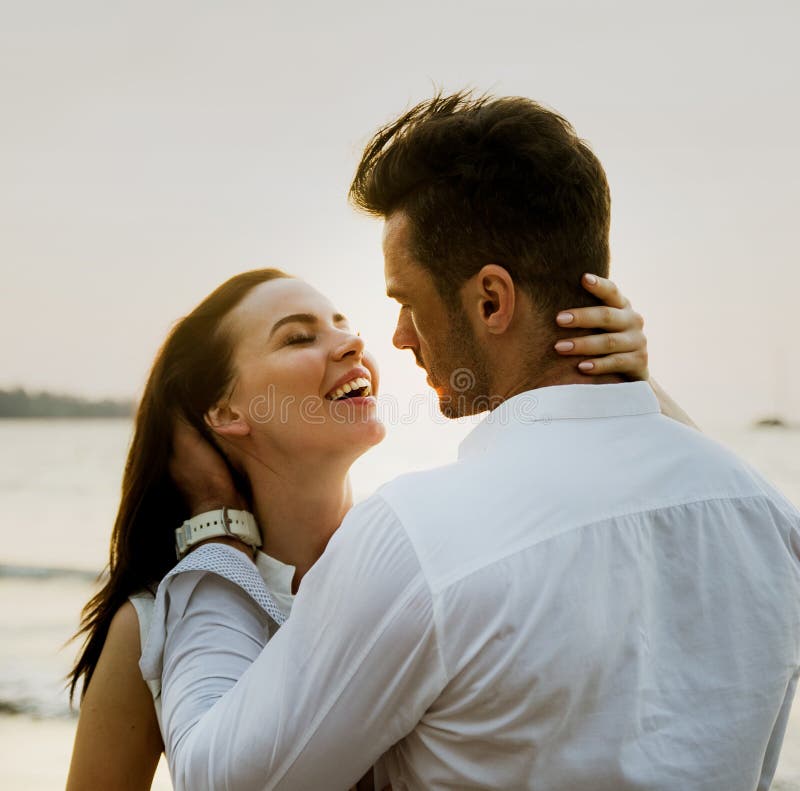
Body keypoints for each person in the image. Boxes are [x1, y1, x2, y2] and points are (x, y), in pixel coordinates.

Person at [148, 91, 800, 791]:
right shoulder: (766, 519)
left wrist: (215, 537)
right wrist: (640, 386)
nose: (396, 336)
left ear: (491, 300)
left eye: (407, 301)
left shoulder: (418, 539)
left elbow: (220, 778)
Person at [65, 265, 651, 790]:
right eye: (299, 337)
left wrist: (629, 382)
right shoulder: (153, 625)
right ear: (225, 412)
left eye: (342, 324)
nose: (353, 343)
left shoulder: (423, 573)